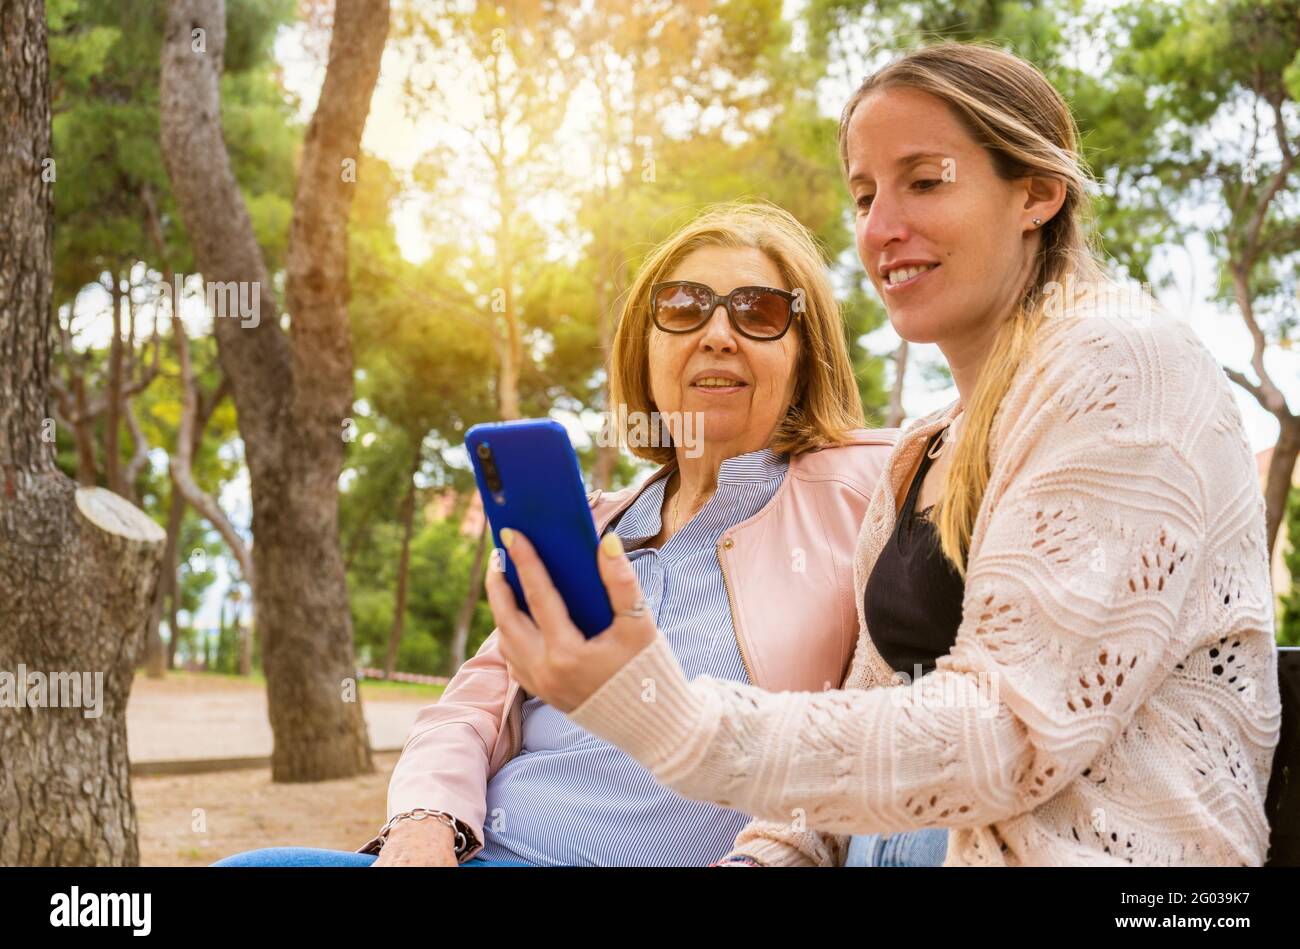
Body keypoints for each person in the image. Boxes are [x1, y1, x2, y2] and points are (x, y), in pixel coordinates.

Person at [487, 41, 1282, 866]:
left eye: (926, 181)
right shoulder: (925, 445)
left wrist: (668, 717)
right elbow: (864, 716)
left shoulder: (1125, 364)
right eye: (864, 195)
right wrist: (767, 857)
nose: (881, 229)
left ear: (1038, 194)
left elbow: (1010, 732)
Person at [213, 200, 902, 867]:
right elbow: (468, 710)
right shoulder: (593, 522)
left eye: (759, 311)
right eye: (685, 307)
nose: (718, 333)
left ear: (806, 357)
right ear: (646, 346)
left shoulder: (869, 489)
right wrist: (425, 822)